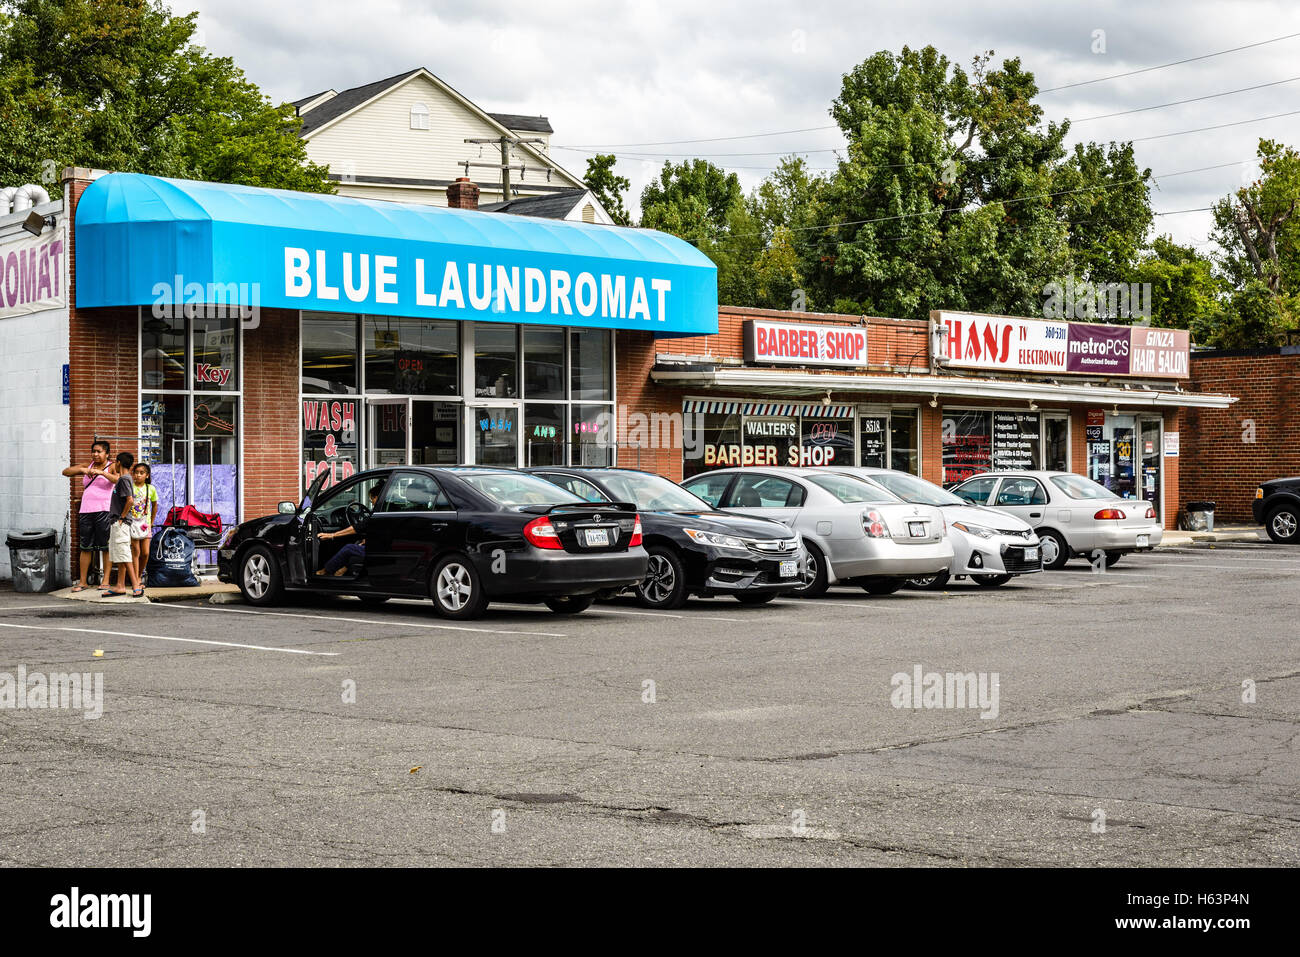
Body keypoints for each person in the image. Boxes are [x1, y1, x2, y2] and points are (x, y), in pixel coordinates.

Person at [62, 440, 122, 592]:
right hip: (85, 510)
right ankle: (83, 582)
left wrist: (102, 473)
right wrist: (83, 470)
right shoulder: (87, 464)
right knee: (85, 546)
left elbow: (119, 480)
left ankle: (106, 580)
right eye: (93, 451)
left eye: (99, 451)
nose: (95, 454)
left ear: (107, 454)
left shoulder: (113, 466)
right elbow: (66, 472)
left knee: (105, 546)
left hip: (104, 510)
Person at [102, 452, 142, 598]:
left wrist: (122, 517)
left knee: (124, 554)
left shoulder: (124, 479)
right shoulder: (123, 479)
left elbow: (130, 500)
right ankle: (120, 586)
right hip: (117, 521)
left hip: (121, 522)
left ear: (118, 463)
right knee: (118, 554)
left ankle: (136, 586)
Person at [316, 487, 379, 577]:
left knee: (349, 548)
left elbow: (357, 528)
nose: (372, 503)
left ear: (376, 497)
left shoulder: (378, 513)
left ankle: (324, 571)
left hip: (378, 549)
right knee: (358, 543)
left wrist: (332, 535)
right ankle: (342, 571)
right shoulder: (387, 510)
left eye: (371, 499)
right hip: (381, 546)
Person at [129, 462, 159, 588]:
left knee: (145, 552)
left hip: (145, 525)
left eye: (141, 473)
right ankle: (136, 579)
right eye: (136, 472)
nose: (138, 475)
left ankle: (140, 574)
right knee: (136, 551)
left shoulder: (150, 488)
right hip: (133, 523)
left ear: (147, 475)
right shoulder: (130, 487)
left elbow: (155, 505)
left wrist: (151, 522)